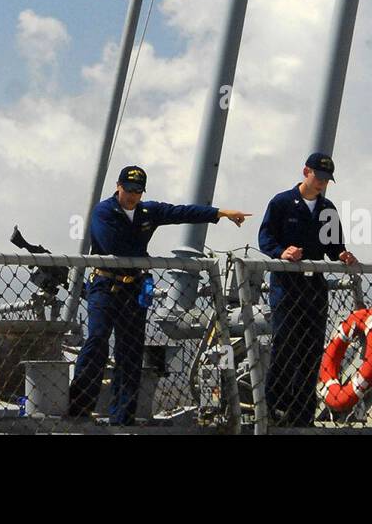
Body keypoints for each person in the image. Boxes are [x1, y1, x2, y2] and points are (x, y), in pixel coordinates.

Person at [67, 165, 250, 425]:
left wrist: (220, 213)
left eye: (138, 191)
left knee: (130, 350)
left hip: (133, 288)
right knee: (96, 341)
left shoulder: (147, 212)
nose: (132, 195)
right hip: (106, 286)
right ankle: (78, 409)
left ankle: (123, 417)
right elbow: (113, 246)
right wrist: (143, 258)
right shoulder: (104, 212)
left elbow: (180, 212)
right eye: (128, 189)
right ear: (118, 186)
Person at [257, 153, 358, 427]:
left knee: (311, 349)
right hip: (287, 286)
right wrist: (282, 252)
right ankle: (276, 406)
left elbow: (334, 245)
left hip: (314, 287)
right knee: (285, 344)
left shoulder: (328, 209)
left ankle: (302, 413)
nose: (322, 184)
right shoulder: (281, 203)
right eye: (319, 177)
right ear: (306, 172)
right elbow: (265, 238)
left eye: (327, 180)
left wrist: (343, 255)